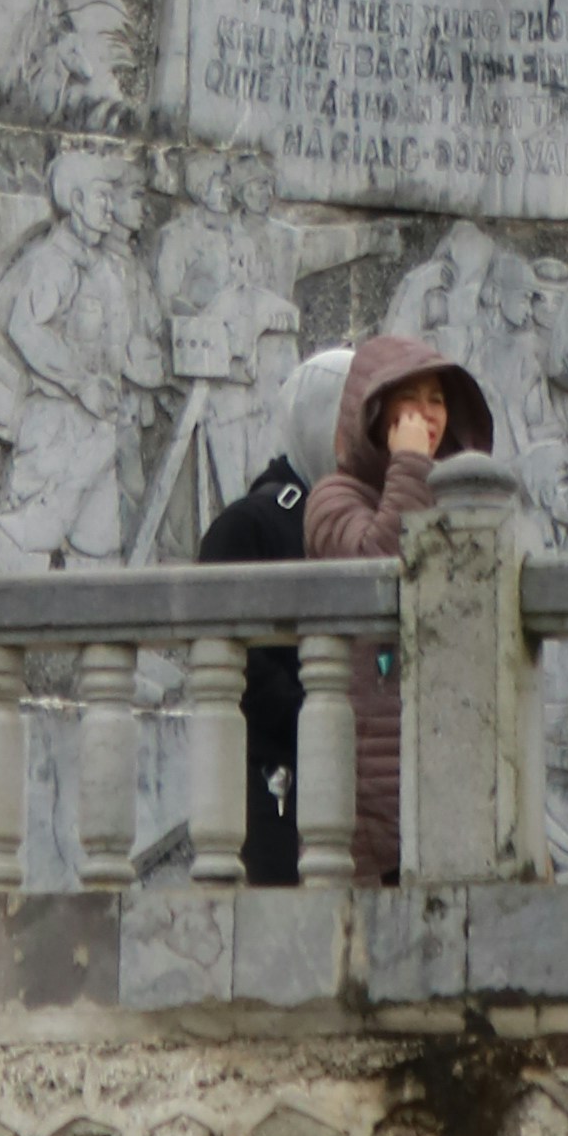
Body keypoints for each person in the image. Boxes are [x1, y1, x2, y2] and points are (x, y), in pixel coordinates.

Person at [300, 328, 500, 880]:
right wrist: (409, 462)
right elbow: (383, 568)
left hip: (446, 756)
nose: (425, 414)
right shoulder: (333, 498)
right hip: (367, 776)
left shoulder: (448, 500)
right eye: (408, 400)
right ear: (373, 414)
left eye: (436, 400)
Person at [200, 338, 350, 882]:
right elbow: (238, 664)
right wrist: (323, 722)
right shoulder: (253, 524)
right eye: (351, 421)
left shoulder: (368, 529)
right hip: (279, 790)